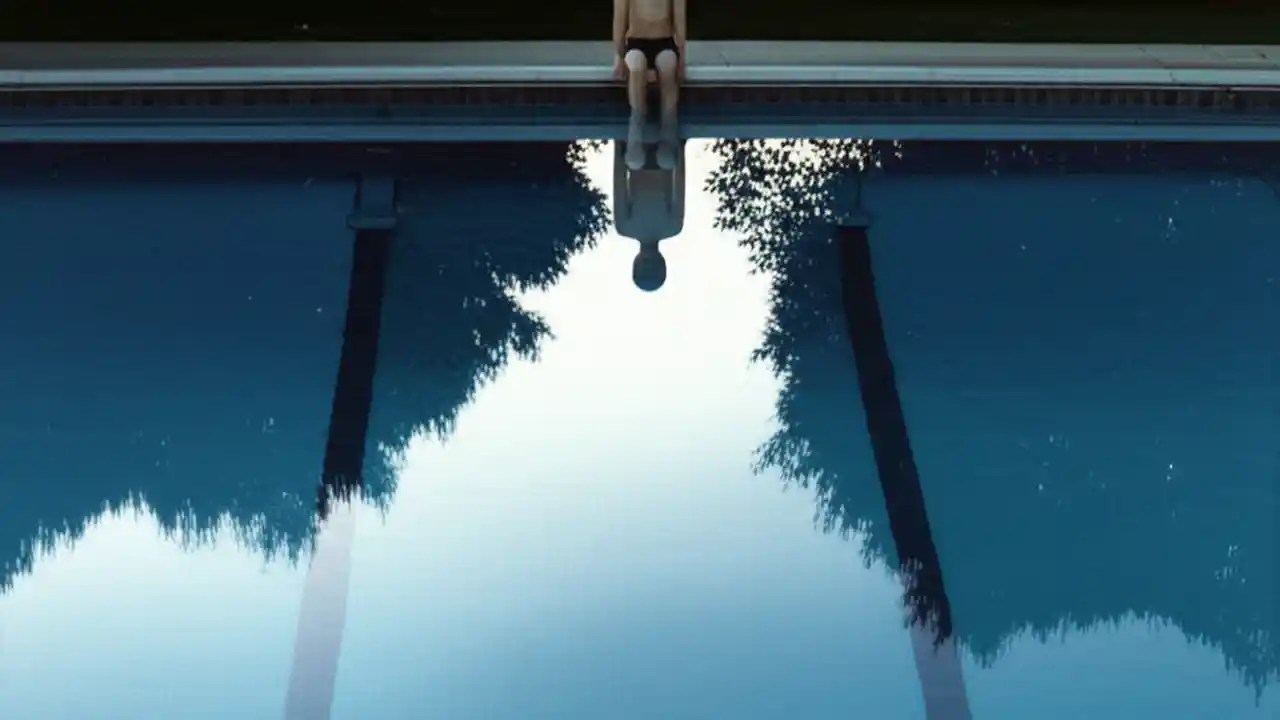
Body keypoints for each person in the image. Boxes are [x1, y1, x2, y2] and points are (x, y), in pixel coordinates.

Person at [612, 0, 687, 169]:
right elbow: (619, 19)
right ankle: (636, 124)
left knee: (668, 69)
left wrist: (682, 59)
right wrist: (618, 57)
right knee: (636, 66)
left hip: (665, 42)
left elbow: (680, 19)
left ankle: (668, 125)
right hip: (636, 42)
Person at [614, 135, 685, 292]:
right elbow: (619, 180)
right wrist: (618, 144)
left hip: (653, 154)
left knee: (660, 157)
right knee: (652, 158)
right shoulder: (625, 227)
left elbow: (679, 179)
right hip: (644, 154)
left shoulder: (673, 227)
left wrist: (680, 148)